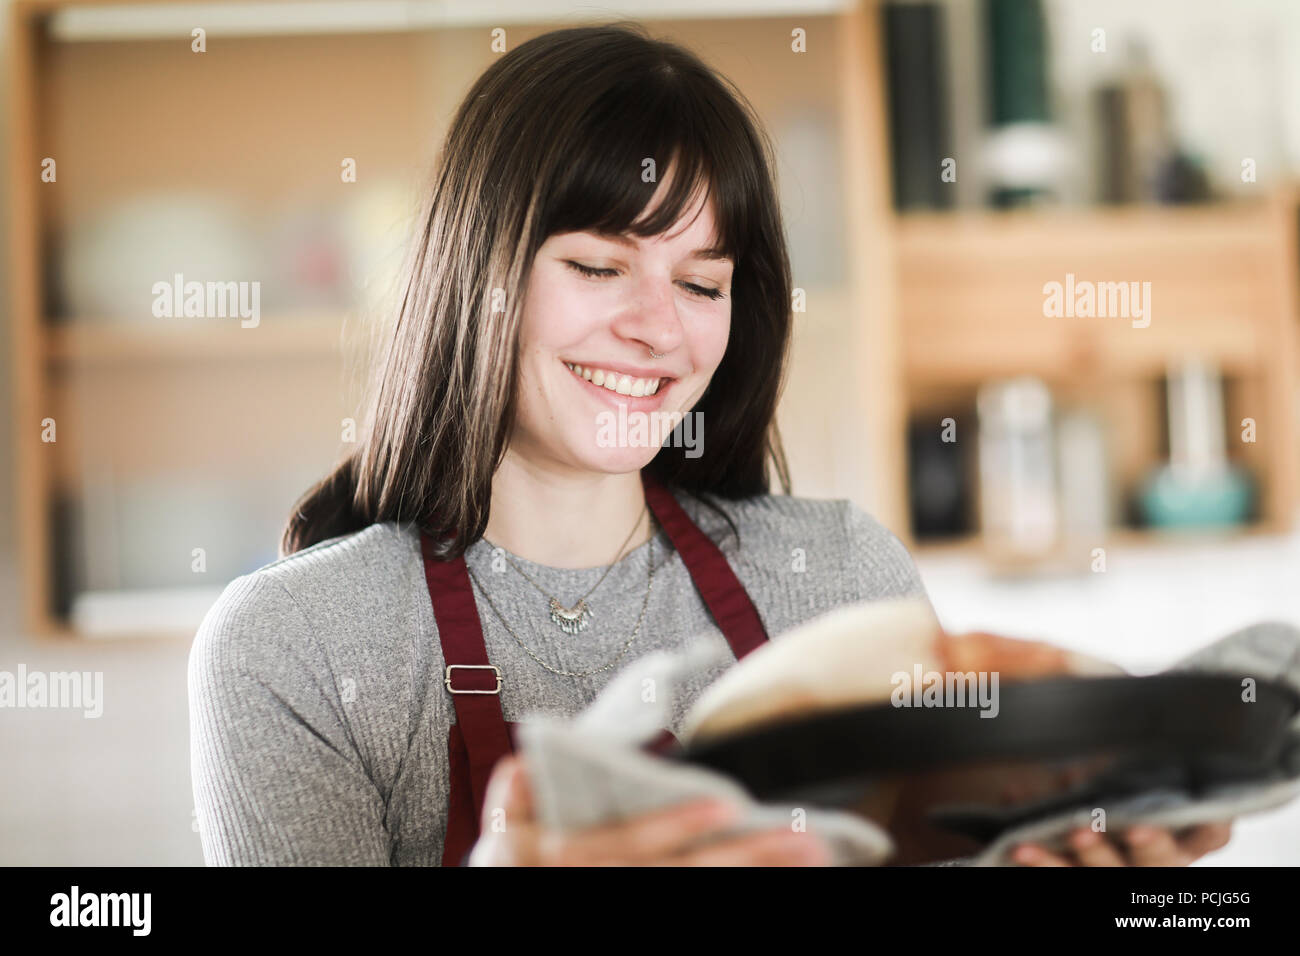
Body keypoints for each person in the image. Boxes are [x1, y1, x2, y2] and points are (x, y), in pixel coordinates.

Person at [188, 22, 1230, 867]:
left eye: (701, 283)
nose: (658, 326)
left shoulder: (839, 578)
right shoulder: (296, 646)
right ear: (479, 275)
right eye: (598, 267)